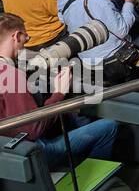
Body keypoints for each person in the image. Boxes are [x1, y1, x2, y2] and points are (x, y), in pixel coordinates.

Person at [0, 13, 119, 170]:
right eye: (26, 37)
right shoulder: (11, 74)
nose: (26, 43)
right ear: (16, 36)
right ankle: (88, 180)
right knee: (108, 127)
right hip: (26, 153)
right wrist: (59, 92)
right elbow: (33, 130)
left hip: (5, 152)